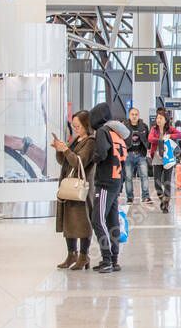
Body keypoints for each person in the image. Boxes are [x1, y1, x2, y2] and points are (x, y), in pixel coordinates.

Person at [89, 103, 130, 273]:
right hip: (116, 180)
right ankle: (114, 259)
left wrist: (94, 158)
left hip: (105, 181)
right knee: (112, 220)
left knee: (98, 220)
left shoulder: (102, 131)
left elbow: (102, 153)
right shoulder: (116, 132)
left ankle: (106, 260)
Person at [52, 110, 96, 271]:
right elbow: (64, 161)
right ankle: (72, 254)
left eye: (77, 125)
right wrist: (60, 149)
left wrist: (66, 150)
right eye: (73, 125)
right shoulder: (77, 139)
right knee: (69, 219)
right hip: (69, 184)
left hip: (81, 187)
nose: (75, 127)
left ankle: (84, 255)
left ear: (86, 125)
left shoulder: (91, 142)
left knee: (83, 220)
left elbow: (79, 163)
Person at [149, 111, 181, 213]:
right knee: (157, 183)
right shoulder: (153, 129)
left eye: (160, 118)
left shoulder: (170, 129)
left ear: (166, 120)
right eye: (157, 118)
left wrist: (170, 136)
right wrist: (161, 139)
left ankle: (166, 204)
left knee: (167, 182)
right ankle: (163, 200)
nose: (158, 120)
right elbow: (150, 138)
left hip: (168, 157)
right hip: (156, 157)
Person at [123, 107, 151, 205]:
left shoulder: (144, 126)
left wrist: (147, 149)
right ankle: (130, 198)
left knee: (144, 176)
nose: (134, 116)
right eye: (132, 114)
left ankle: (146, 197)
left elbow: (148, 139)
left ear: (138, 115)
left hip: (141, 155)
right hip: (128, 155)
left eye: (136, 114)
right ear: (129, 115)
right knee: (128, 177)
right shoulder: (124, 126)